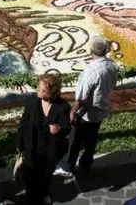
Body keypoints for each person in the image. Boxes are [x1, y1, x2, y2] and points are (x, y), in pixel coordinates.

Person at [55, 37, 119, 177]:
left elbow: (82, 98)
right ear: (106, 50)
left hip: (86, 113)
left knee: (75, 140)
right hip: (101, 108)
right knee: (91, 139)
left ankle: (67, 167)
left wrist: (73, 111)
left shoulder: (90, 71)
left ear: (91, 51)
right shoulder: (112, 65)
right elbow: (113, 84)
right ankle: (86, 163)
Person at [16, 74, 71, 204]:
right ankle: (30, 195)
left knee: (46, 174)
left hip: (50, 148)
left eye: (42, 90)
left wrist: (59, 129)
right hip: (32, 146)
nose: (38, 91)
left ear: (52, 92)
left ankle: (44, 193)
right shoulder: (31, 103)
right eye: (38, 88)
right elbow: (23, 124)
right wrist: (19, 142)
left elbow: (66, 128)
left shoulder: (62, 107)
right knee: (29, 174)